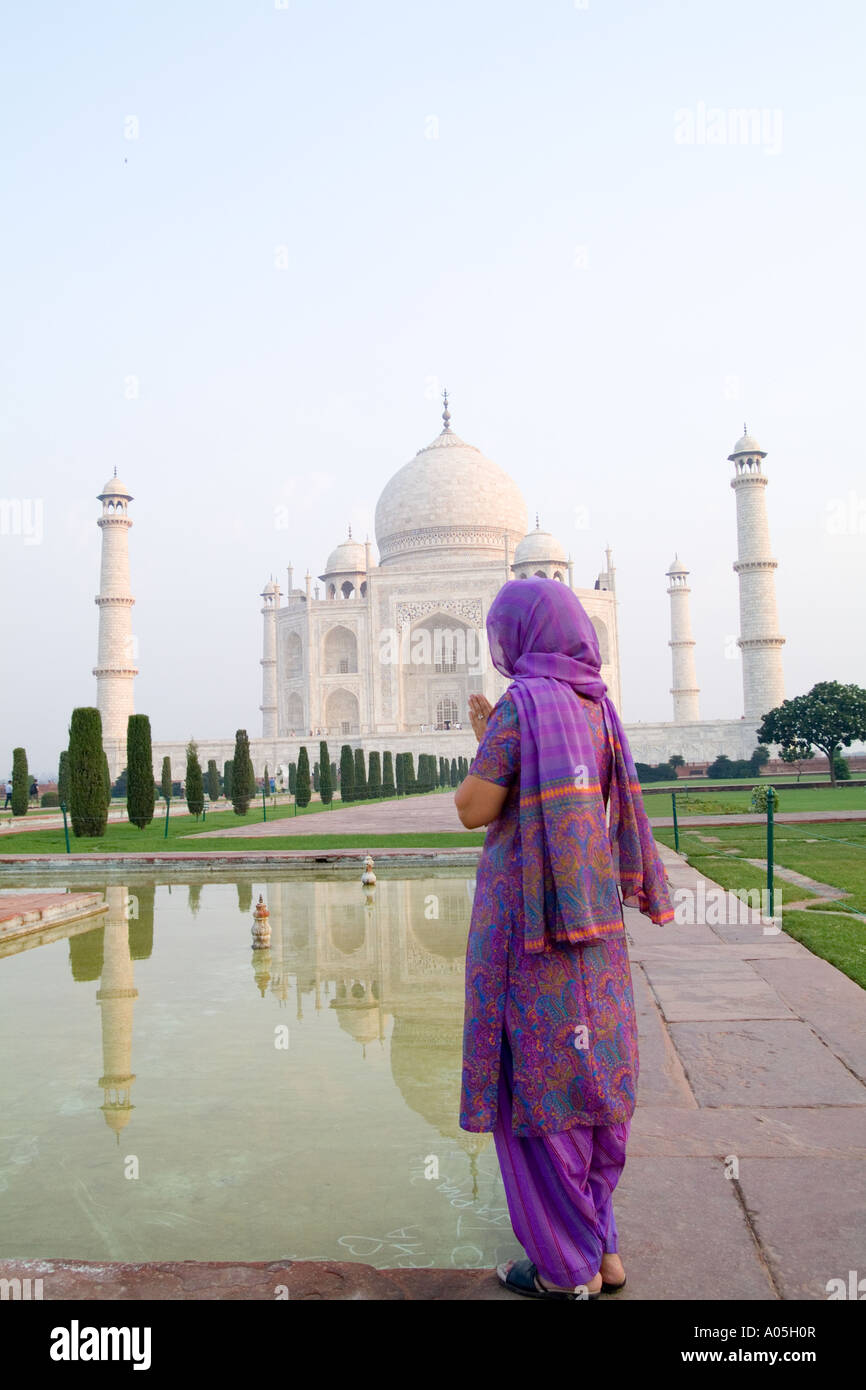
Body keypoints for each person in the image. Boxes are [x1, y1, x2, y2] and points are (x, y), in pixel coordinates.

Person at [455, 577, 673, 1301]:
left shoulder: (523, 705)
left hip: (529, 927)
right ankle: (602, 1251)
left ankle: (562, 1268)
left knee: (537, 1084)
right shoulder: (596, 704)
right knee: (592, 1076)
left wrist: (488, 737)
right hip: (593, 918)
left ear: (518, 636)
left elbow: (472, 807)